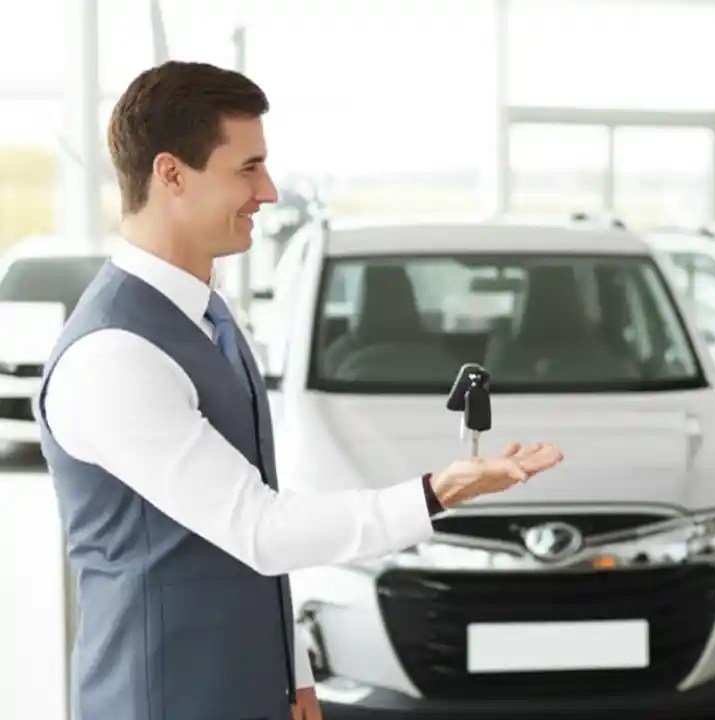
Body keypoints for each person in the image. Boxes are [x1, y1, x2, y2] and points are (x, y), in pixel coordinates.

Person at [34, 61, 564, 720]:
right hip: (161, 699)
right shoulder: (113, 355)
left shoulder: (209, 317)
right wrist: (440, 491)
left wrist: (293, 672)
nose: (270, 191)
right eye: (247, 168)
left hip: (246, 690)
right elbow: (259, 529)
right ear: (171, 173)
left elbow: (255, 511)